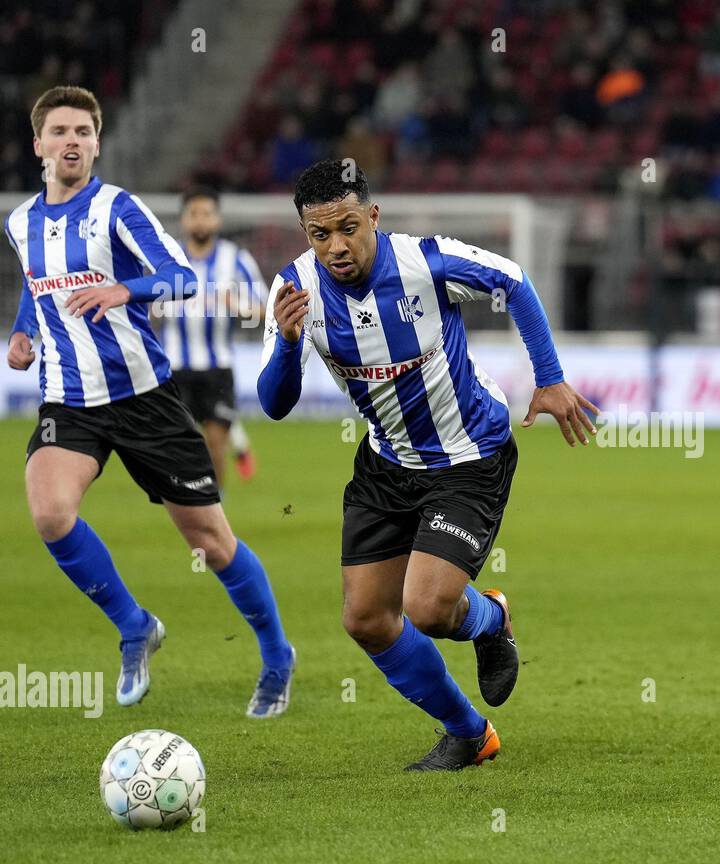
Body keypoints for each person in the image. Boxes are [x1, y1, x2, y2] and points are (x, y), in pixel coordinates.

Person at [258, 159, 599, 771]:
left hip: (470, 456)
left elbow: (514, 281)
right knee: (364, 618)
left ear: (374, 217)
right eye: (319, 234)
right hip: (386, 463)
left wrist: (549, 379)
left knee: (428, 608)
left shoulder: (425, 262)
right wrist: (285, 345)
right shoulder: (293, 293)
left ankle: (490, 618)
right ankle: (470, 734)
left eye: (348, 227)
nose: (336, 246)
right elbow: (273, 404)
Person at [4, 86, 295, 717]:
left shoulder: (116, 209)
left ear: (98, 142)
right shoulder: (20, 222)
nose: (71, 141)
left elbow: (182, 277)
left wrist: (123, 291)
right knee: (51, 513)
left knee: (211, 543)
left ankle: (277, 655)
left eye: (83, 130)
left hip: (144, 400)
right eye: (59, 131)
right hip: (69, 400)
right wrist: (23, 334)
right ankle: (135, 626)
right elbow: (35, 289)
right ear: (39, 145)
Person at [157, 184, 264, 487]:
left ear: (217, 220)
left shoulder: (236, 259)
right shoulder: (167, 258)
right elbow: (145, 306)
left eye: (207, 214)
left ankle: (214, 507)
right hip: (175, 368)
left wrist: (237, 304)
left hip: (218, 369)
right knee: (183, 445)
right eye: (194, 214)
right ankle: (189, 507)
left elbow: (265, 308)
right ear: (184, 220)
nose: (201, 220)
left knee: (216, 442)